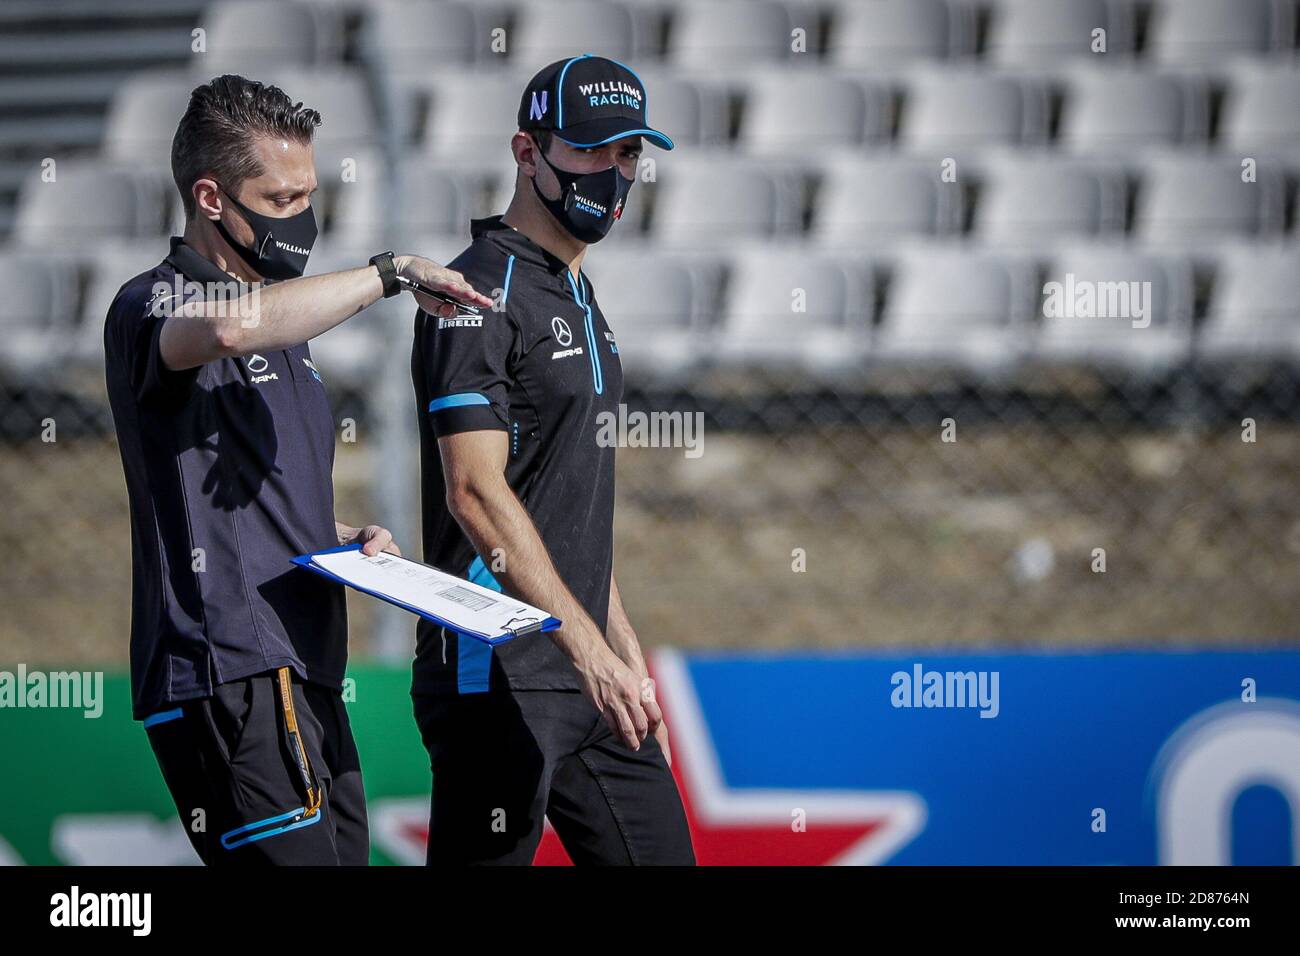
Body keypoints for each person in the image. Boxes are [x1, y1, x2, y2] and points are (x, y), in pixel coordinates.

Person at [103, 74, 492, 865]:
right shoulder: (157, 303)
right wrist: (391, 273)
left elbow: (252, 506)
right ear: (211, 197)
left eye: (307, 194)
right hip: (228, 668)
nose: (303, 219)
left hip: (307, 664)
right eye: (280, 201)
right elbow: (217, 335)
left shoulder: (283, 327)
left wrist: (342, 536)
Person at [410, 55, 695, 865]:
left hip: (587, 671)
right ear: (526, 152)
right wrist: (590, 652)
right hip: (495, 670)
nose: (613, 174)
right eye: (591, 150)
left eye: (628, 154)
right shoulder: (473, 293)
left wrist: (625, 653)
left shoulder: (578, 293)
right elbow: (474, 492)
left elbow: (562, 502)